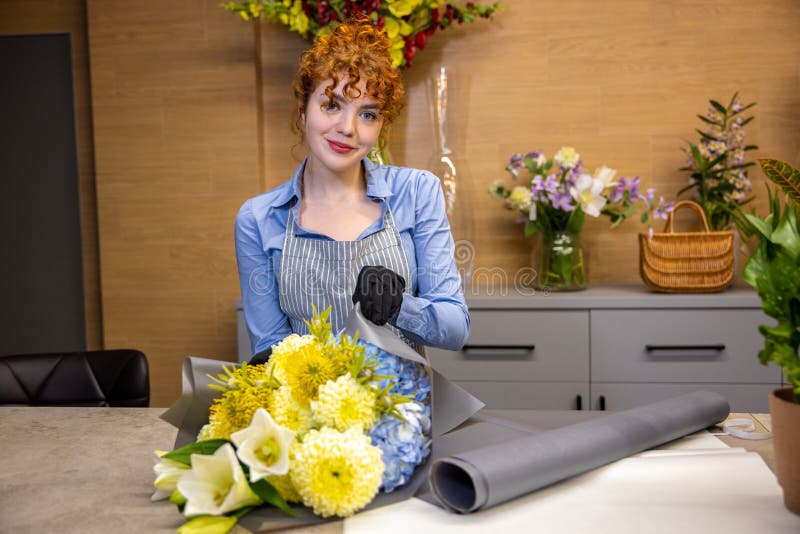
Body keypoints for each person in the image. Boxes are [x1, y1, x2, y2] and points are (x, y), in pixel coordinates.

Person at [235, 19, 469, 364]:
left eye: (368, 114)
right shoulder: (257, 219)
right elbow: (271, 347)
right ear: (303, 113)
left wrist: (400, 306)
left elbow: (456, 328)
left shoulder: (416, 192)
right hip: (311, 411)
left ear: (381, 125)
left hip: (400, 409)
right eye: (332, 105)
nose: (348, 128)